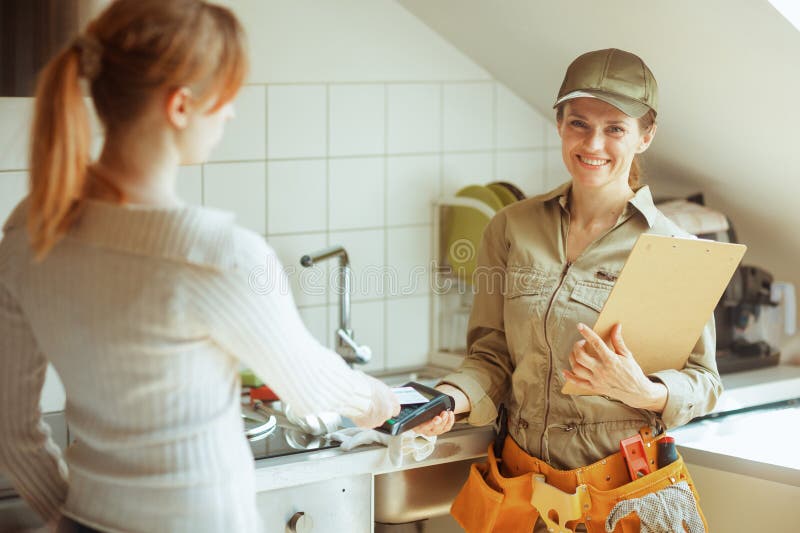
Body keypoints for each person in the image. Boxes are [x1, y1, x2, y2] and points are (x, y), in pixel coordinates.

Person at [0, 1, 399, 532]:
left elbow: (10, 430)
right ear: (181, 106)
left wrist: (70, 517)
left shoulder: (29, 231)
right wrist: (383, 400)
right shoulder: (214, 254)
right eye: (226, 95)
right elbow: (313, 389)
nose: (231, 112)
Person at [415, 48, 721, 531]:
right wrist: (446, 399)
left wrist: (644, 391)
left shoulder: (673, 249)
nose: (593, 142)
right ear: (559, 123)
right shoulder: (510, 227)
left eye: (615, 128)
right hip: (519, 495)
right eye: (579, 123)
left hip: (621, 499)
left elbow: (705, 382)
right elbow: (491, 355)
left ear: (646, 135)